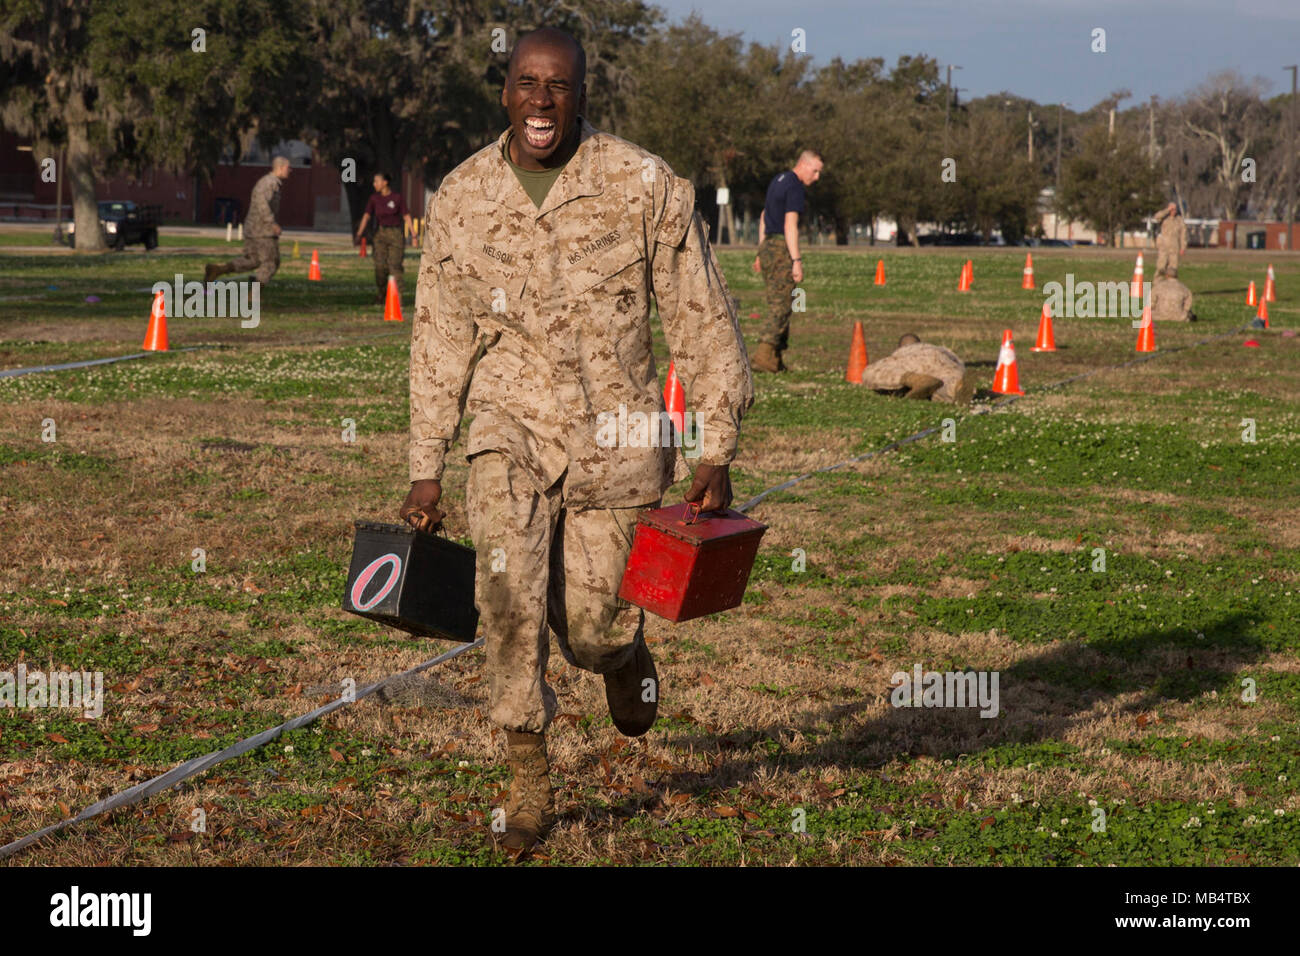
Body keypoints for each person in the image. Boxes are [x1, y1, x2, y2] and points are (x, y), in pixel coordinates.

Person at [398, 27, 752, 855]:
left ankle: (623, 661)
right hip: (505, 429)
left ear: (583, 93)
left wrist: (716, 446)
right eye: (527, 84)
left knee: (589, 627)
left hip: (617, 441)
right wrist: (425, 467)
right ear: (506, 92)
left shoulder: (644, 184)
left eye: (559, 86)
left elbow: (699, 316)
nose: (542, 103)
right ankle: (527, 779)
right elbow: (439, 339)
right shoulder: (461, 196)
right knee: (509, 600)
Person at [751, 150, 823, 373]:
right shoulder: (795, 187)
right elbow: (790, 225)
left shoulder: (778, 180)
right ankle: (764, 355)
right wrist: (796, 260)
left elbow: (765, 215)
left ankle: (775, 359)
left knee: (778, 301)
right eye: (815, 171)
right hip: (782, 248)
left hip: (768, 247)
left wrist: (760, 251)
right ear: (803, 165)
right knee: (783, 305)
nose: (817, 177)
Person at [205, 156, 290, 284]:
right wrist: (272, 223)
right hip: (263, 231)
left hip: (253, 229)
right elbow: (261, 202)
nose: (290, 170)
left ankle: (218, 270)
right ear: (280, 167)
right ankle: (253, 295)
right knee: (271, 263)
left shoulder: (269, 182)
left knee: (252, 260)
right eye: (288, 168)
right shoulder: (269, 183)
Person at [859, 333, 976, 403]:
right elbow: (959, 364)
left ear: (901, 346)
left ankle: (914, 379)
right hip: (943, 359)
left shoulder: (902, 353)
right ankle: (956, 388)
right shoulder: (938, 348)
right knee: (947, 381)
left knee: (872, 372)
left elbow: (878, 369)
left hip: (912, 363)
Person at [354, 172, 414, 304]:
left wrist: (413, 235)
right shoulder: (374, 199)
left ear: (385, 182)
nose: (374, 184)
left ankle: (398, 299)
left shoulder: (397, 198)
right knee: (380, 267)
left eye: (376, 181)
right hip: (380, 235)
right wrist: (359, 234)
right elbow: (366, 216)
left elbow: (406, 216)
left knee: (395, 266)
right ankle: (382, 294)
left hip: (395, 235)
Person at [1152, 201, 1187, 278]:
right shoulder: (1164, 217)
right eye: (1172, 209)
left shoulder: (1179, 220)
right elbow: (1156, 216)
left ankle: (1172, 286)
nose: (1173, 211)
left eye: (1174, 209)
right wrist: (1167, 210)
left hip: (1174, 247)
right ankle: (1157, 285)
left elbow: (1183, 234)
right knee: (1161, 267)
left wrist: (1183, 247)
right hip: (1164, 246)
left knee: (1173, 269)